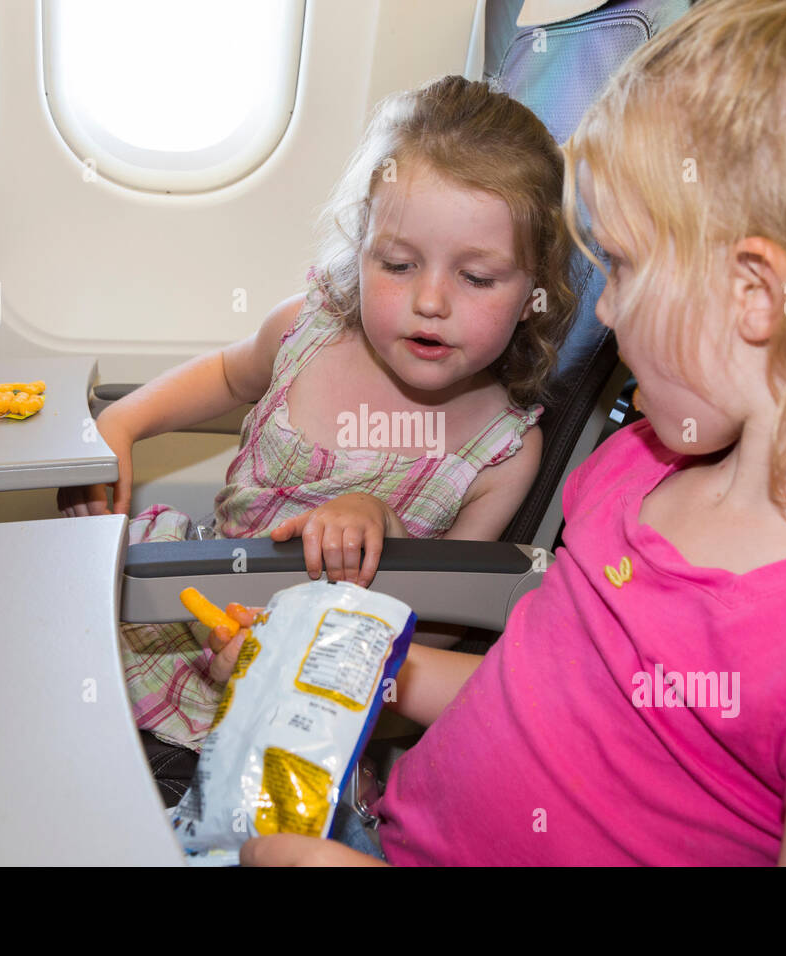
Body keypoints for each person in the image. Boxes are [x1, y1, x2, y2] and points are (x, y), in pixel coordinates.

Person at [235, 0, 786, 865]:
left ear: (756, 294)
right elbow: (538, 698)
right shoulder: (636, 472)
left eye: (618, 266)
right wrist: (345, 662)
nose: (605, 310)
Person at [58, 75, 578, 752]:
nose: (430, 300)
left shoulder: (501, 451)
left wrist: (384, 530)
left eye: (476, 278)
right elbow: (222, 373)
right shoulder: (307, 332)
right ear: (360, 248)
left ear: (535, 291)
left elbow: (451, 615)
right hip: (183, 608)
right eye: (397, 263)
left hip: (304, 692)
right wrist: (120, 425)